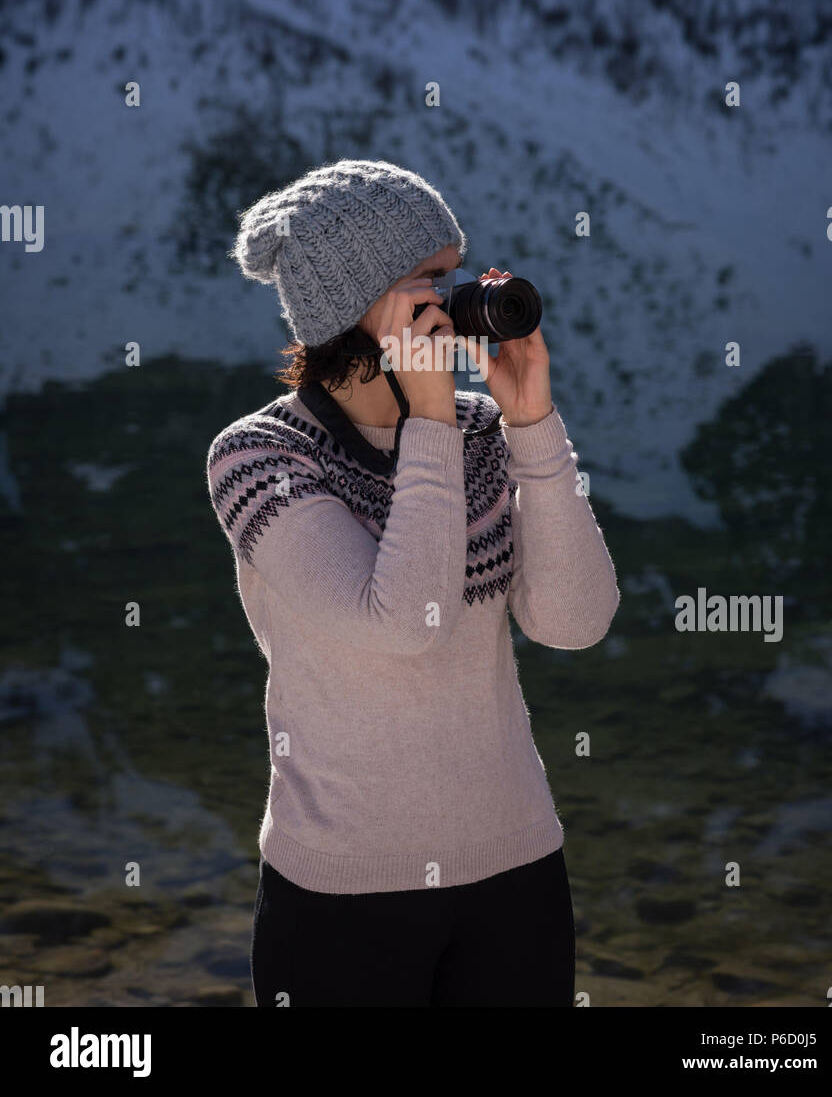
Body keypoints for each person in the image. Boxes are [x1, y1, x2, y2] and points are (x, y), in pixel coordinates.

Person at [206, 158, 620, 1007]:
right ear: (348, 303)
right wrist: (430, 418)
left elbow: (574, 622)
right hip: (342, 891)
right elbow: (402, 622)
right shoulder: (257, 455)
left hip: (516, 868)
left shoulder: (476, 429)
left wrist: (532, 423)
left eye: (460, 273)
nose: (461, 298)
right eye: (432, 280)